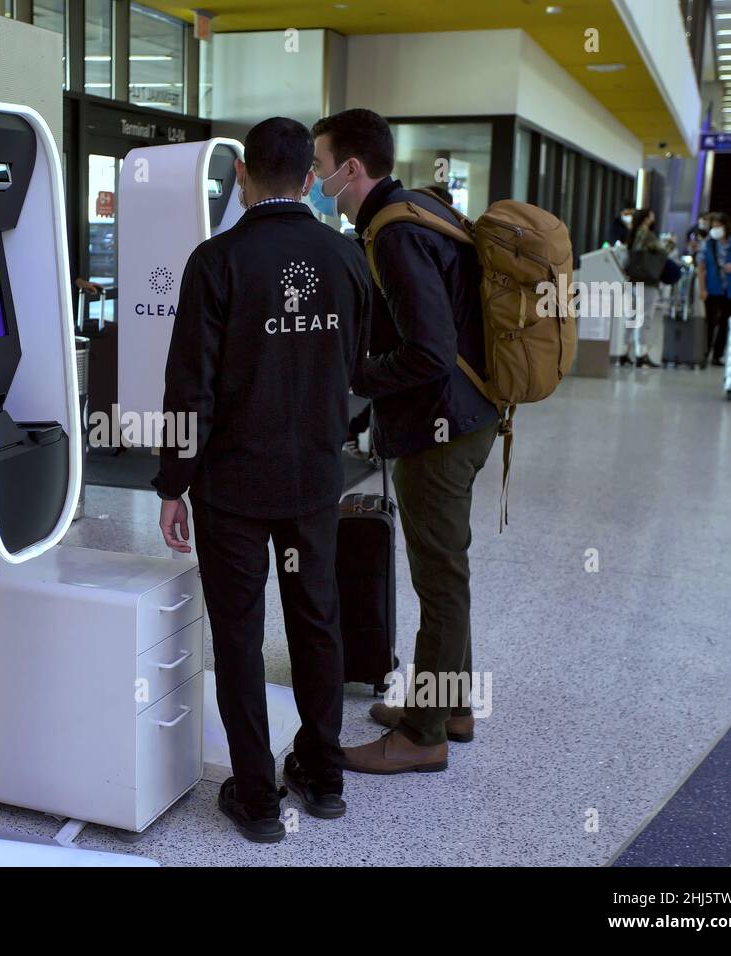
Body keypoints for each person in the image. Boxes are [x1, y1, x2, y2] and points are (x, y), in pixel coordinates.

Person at [152, 116, 370, 843]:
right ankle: (325, 776)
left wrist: (172, 483)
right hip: (313, 481)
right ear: (310, 178)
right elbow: (360, 370)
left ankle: (256, 797)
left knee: (240, 634)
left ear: (241, 176)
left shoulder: (215, 262)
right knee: (316, 622)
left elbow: (190, 388)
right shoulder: (346, 259)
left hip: (232, 491)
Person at [311, 108, 499, 774]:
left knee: (440, 576)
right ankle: (451, 704)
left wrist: (355, 373)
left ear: (351, 169)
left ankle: (423, 736)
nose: (315, 178)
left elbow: (429, 351)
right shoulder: (414, 207)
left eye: (319, 165)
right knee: (449, 568)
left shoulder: (393, 235)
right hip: (468, 415)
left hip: (441, 427)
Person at [696, 213, 731, 366]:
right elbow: (701, 268)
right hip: (712, 288)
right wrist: (702, 289)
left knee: (725, 323)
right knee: (710, 323)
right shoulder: (707, 244)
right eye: (713, 226)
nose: (715, 229)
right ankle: (704, 353)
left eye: (718, 226)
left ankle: (718, 355)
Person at [620, 208, 664, 368]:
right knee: (644, 318)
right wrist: (670, 243)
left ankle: (623, 353)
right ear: (647, 218)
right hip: (647, 281)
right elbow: (662, 251)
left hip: (631, 279)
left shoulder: (631, 234)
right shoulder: (648, 235)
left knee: (629, 318)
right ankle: (641, 354)